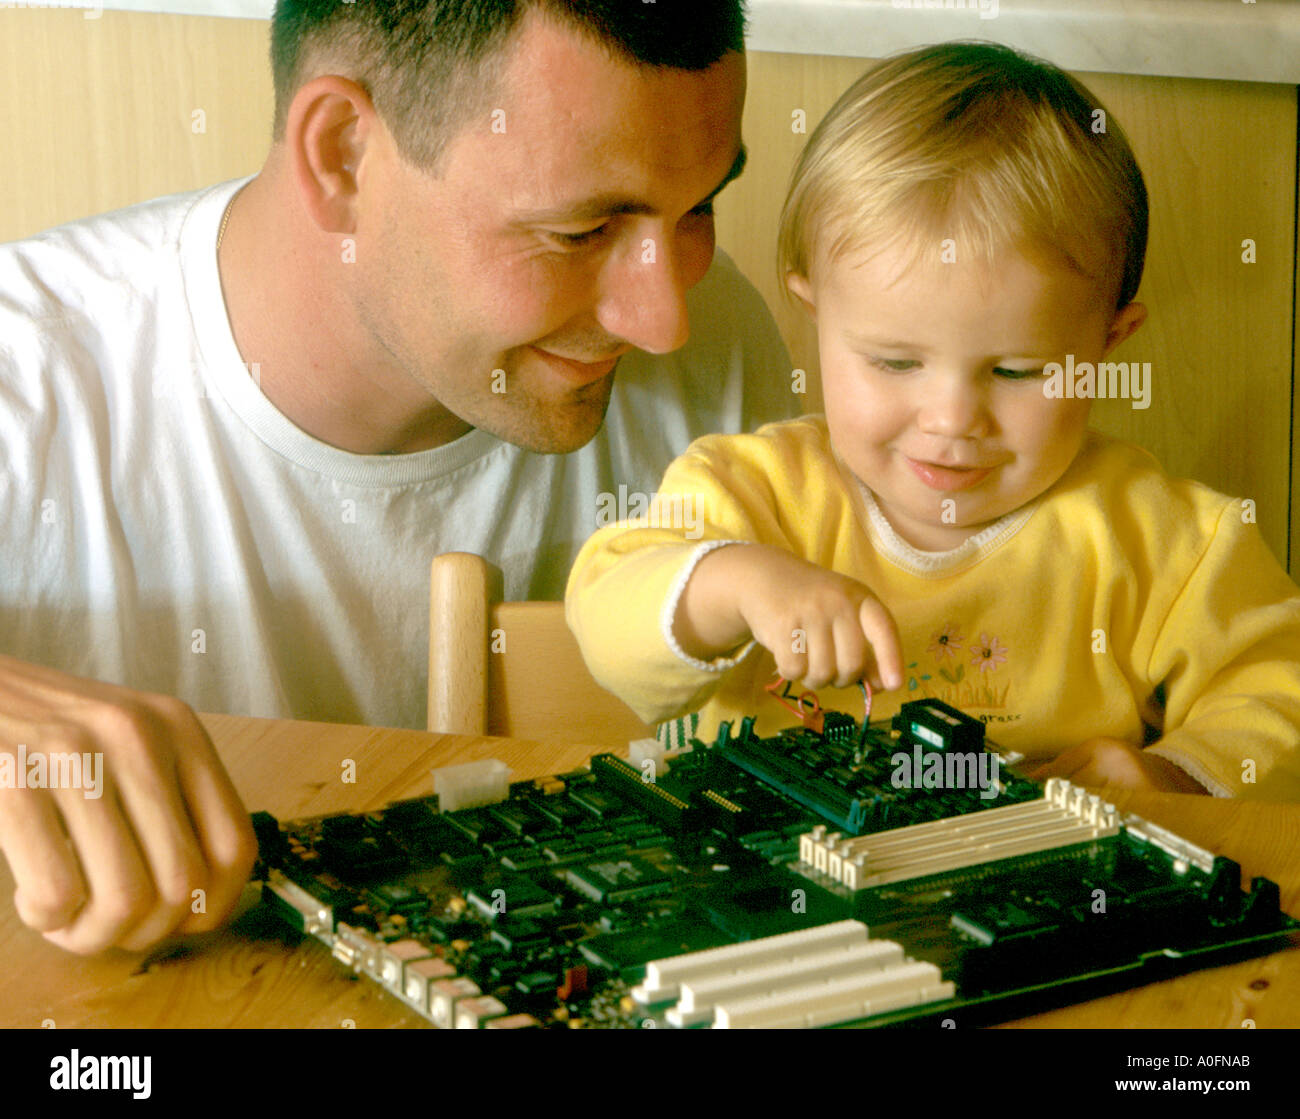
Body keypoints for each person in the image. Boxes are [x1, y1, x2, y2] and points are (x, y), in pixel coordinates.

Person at [0, 0, 797, 954]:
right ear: (342, 154)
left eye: (699, 205)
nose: (662, 318)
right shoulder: (28, 384)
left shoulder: (717, 345)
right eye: (581, 230)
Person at [566, 41, 1300, 801]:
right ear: (814, 314)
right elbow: (605, 616)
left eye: (1017, 371)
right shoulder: (751, 496)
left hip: (1041, 899)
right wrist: (734, 581)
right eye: (893, 362)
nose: (952, 420)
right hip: (776, 898)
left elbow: (1279, 688)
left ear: (1108, 343)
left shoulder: (1161, 540)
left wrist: (1173, 771)